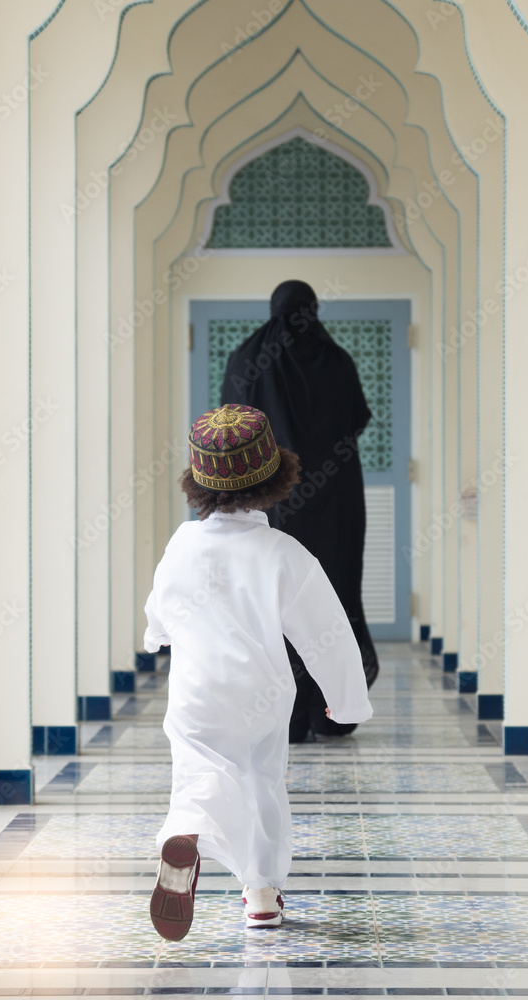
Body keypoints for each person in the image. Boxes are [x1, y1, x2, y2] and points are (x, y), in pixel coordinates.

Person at [144, 403, 372, 941]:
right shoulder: (284, 553)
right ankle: (262, 894)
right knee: (262, 784)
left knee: (197, 773)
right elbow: (327, 633)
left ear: (197, 482)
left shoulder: (182, 544)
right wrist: (346, 700)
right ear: (274, 478)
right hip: (261, 696)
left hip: (195, 693)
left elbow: (161, 609)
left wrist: (156, 636)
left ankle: (184, 831)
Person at [221, 280, 379, 742]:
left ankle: (279, 718)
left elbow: (229, 431)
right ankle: (329, 712)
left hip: (267, 505)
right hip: (335, 506)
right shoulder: (336, 361)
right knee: (333, 598)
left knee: (269, 602)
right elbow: (357, 419)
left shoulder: (246, 360)